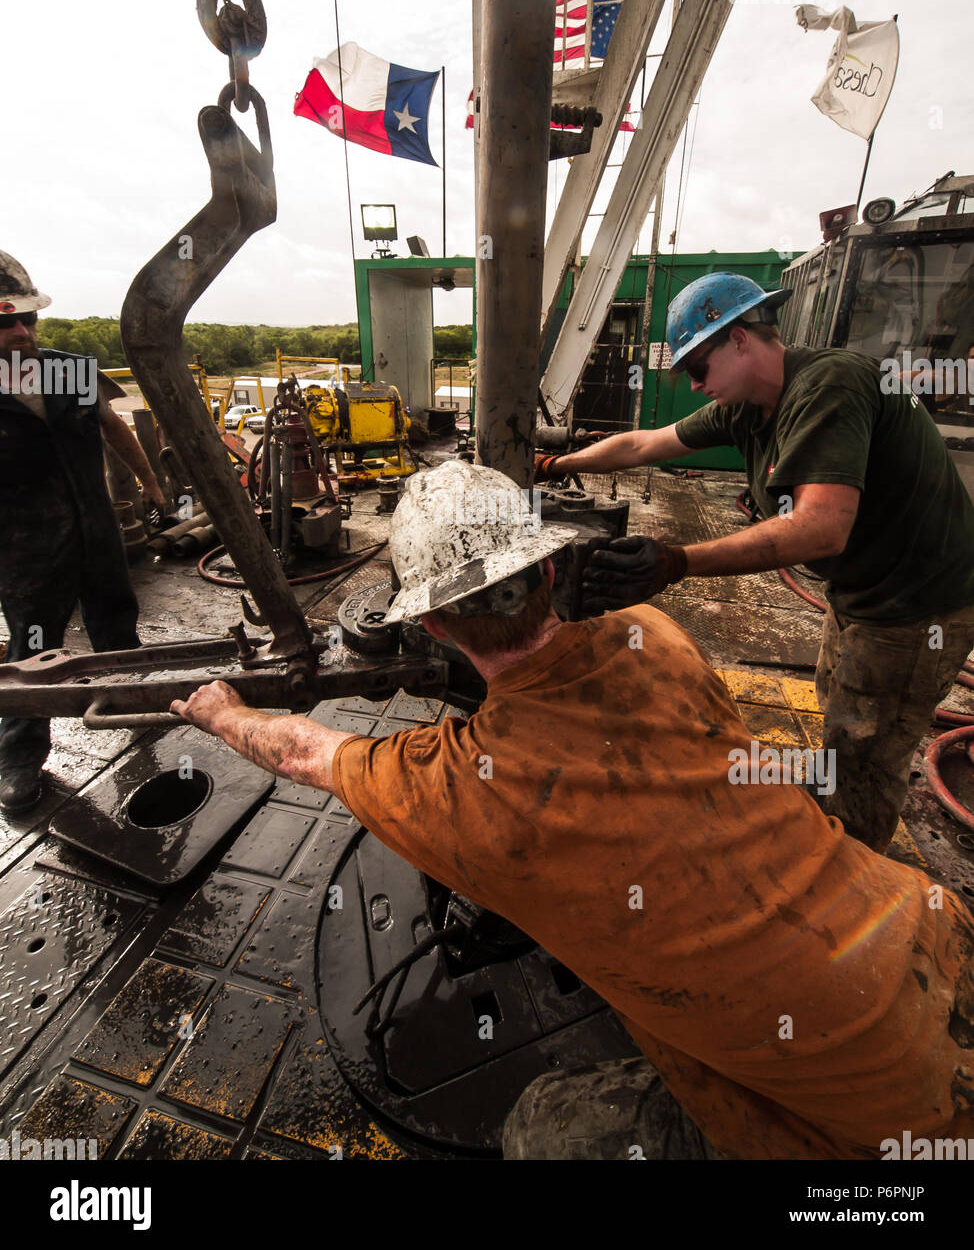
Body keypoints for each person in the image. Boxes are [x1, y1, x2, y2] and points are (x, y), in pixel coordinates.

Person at [172, 459, 974, 1161]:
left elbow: (306, 752)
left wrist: (223, 713)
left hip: (896, 1130)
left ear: (428, 622)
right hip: (936, 936)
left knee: (547, 1127)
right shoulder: (655, 634)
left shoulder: (452, 792)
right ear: (550, 574)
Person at [537, 272, 974, 854]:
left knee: (871, 750)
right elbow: (645, 444)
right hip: (862, 591)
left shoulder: (830, 385)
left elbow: (820, 528)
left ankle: (854, 875)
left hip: (916, 604)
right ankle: (835, 805)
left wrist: (674, 561)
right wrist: (554, 467)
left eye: (698, 369)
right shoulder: (749, 405)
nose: (694, 387)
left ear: (740, 339)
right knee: (842, 711)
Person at [0, 251, 165, 813]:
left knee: (116, 620)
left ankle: (128, 706)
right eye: (6, 322)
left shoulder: (66, 369)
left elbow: (111, 424)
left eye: (29, 319)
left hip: (96, 529)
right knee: (34, 650)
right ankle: (20, 758)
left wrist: (151, 481)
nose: (21, 330)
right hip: (25, 546)